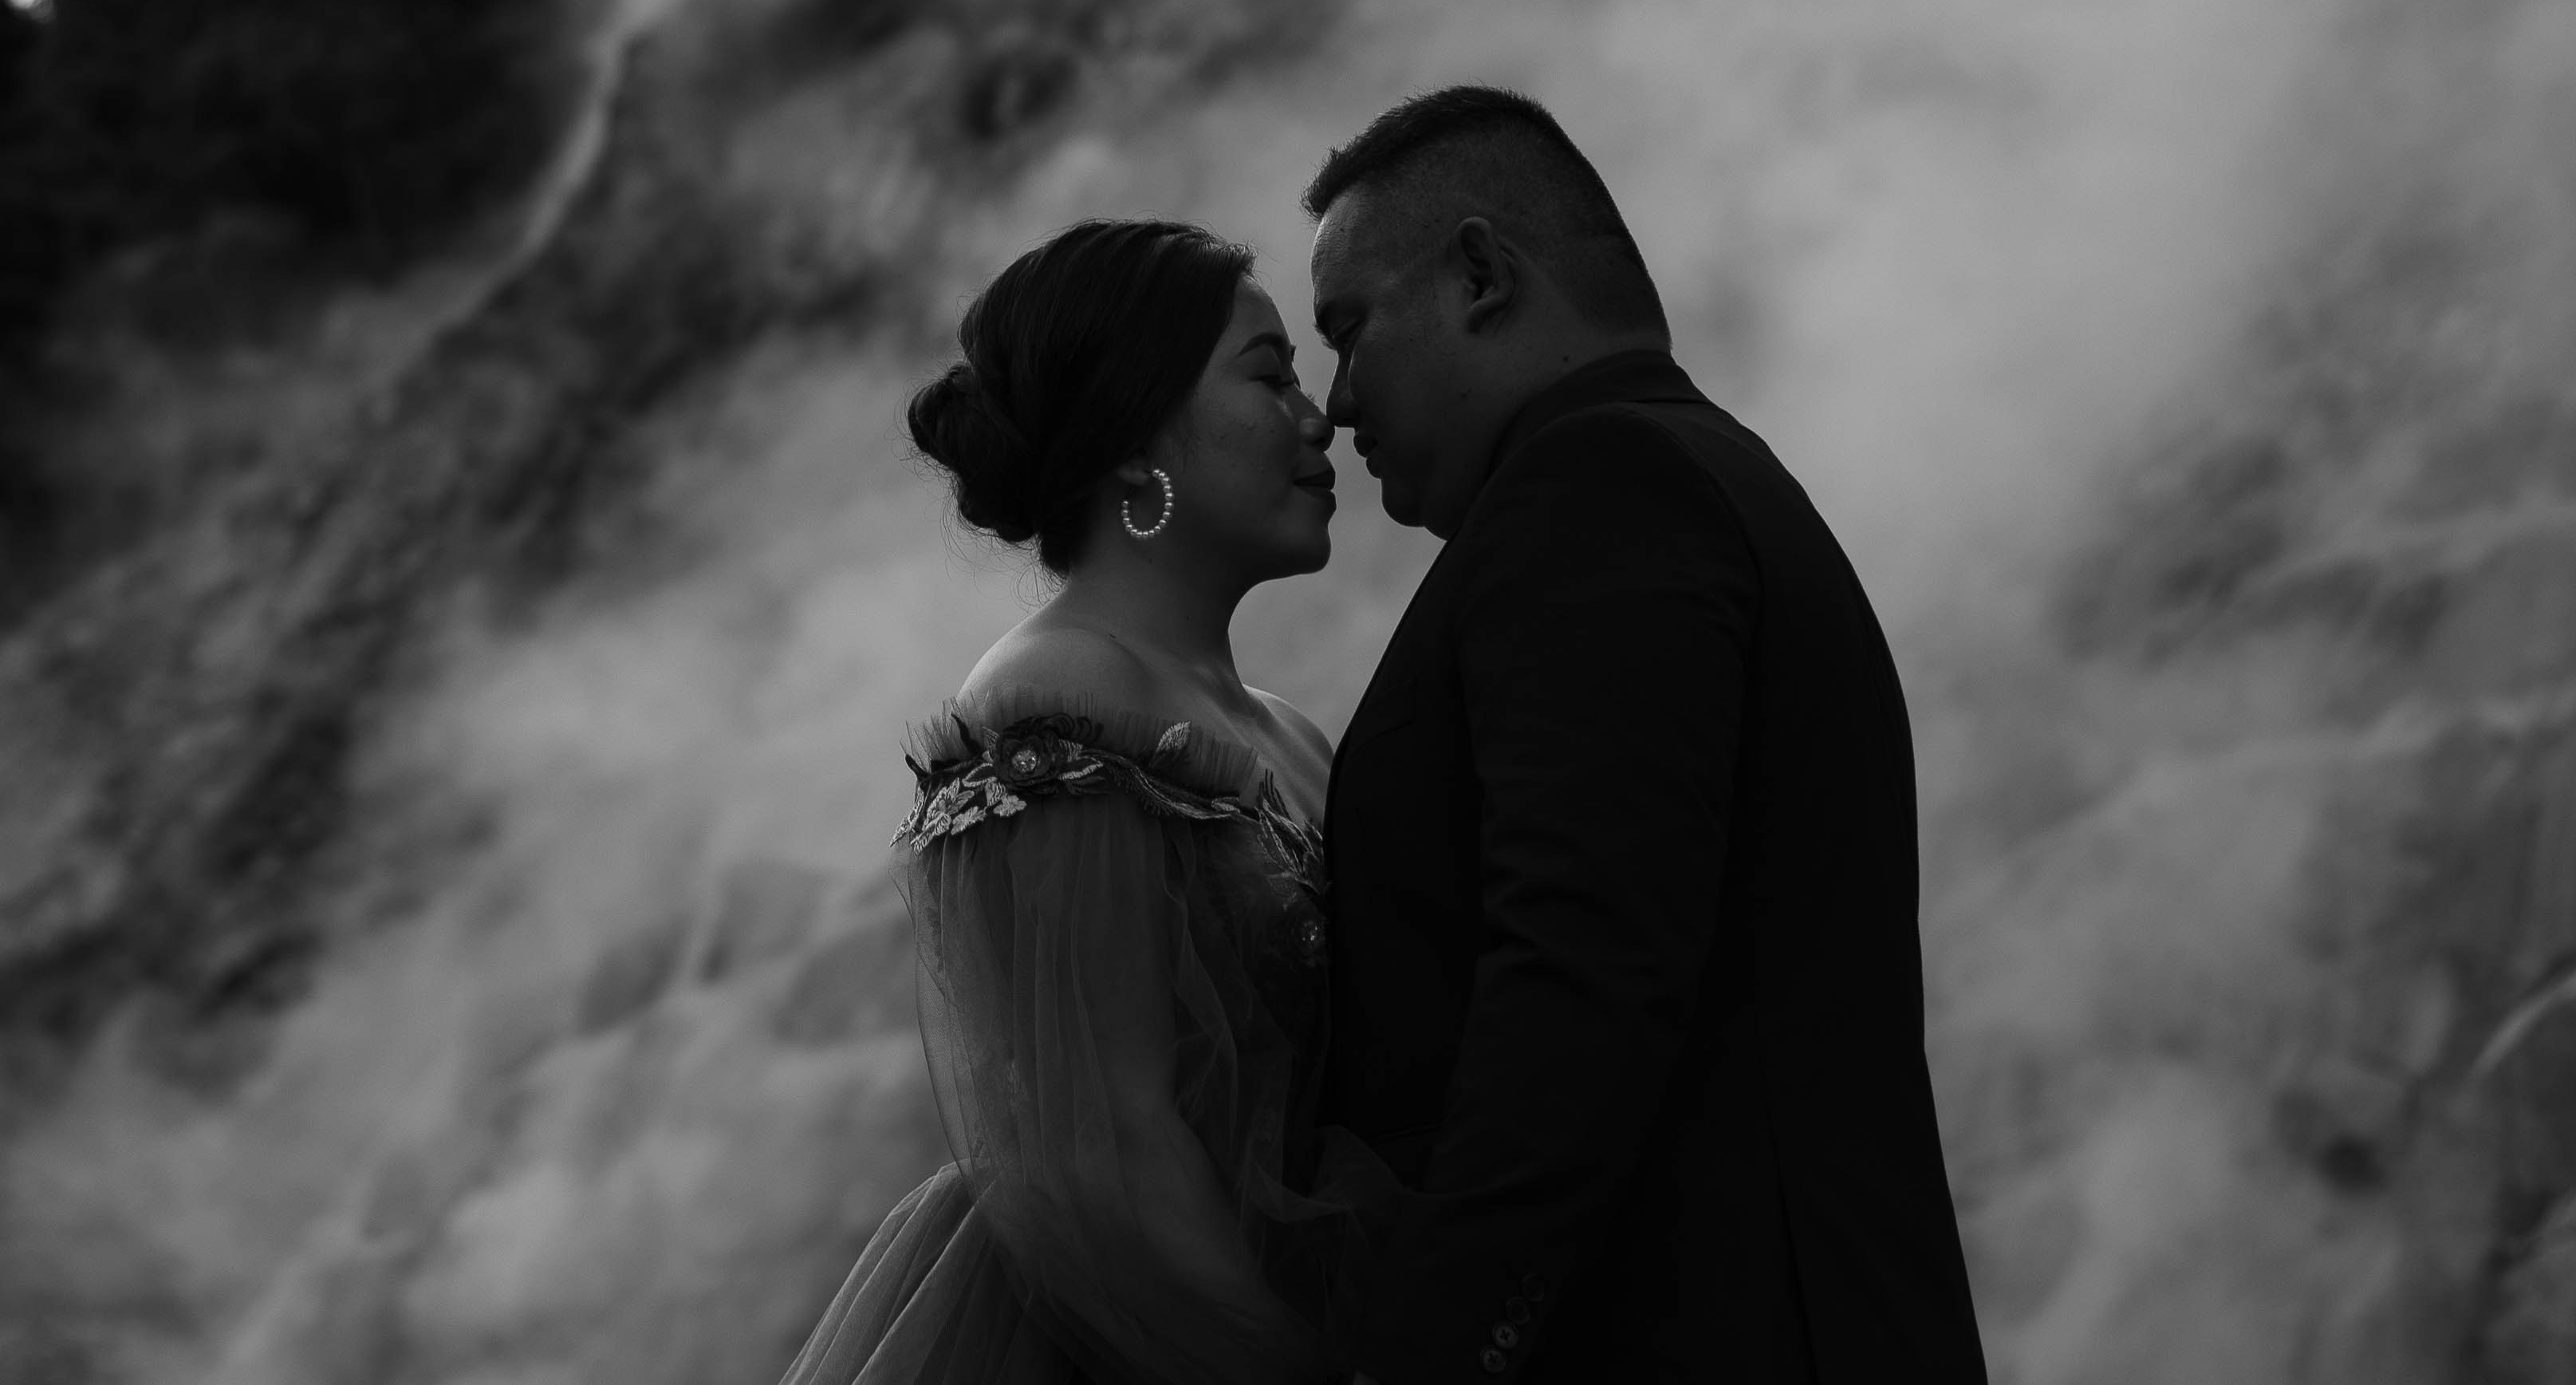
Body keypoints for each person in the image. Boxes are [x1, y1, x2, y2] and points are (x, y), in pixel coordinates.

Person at [1294, 86, 1987, 1385]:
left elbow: (1580, 973)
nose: (1332, 404)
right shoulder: (1699, 472)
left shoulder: (1599, 491)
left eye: (1348, 331)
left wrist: (1426, 1357)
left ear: (1480, 275)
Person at [773, 217, 1379, 1385]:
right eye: (1268, 374)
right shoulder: (1054, 705)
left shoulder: (1284, 729)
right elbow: (1095, 1147)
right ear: (1131, 433)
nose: (1318, 418)